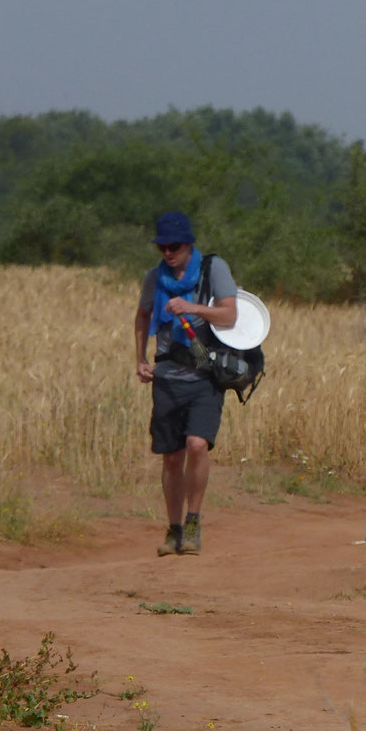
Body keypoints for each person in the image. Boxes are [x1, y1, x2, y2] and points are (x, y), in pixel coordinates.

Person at [134, 211, 238, 557]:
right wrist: (140, 358)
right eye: (162, 246)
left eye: (174, 246)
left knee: (196, 445)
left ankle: (193, 521)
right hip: (167, 377)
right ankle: (174, 528)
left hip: (205, 375)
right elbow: (143, 315)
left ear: (188, 244)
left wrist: (192, 307)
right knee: (171, 456)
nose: (167, 252)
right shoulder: (154, 278)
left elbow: (230, 314)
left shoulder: (213, 270)